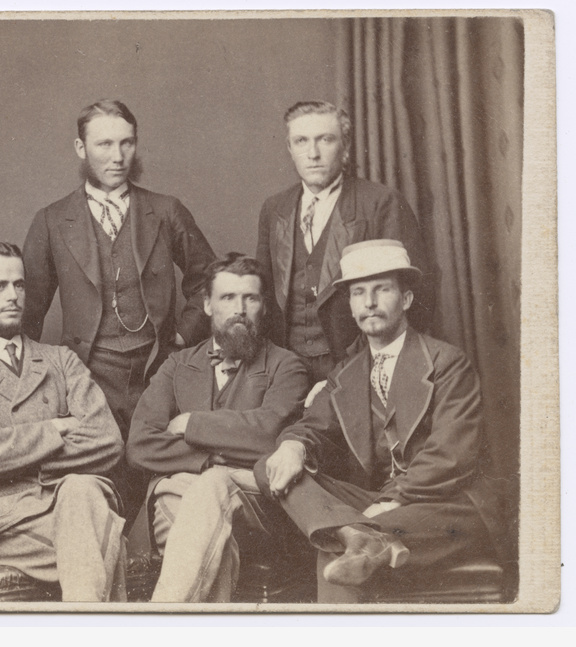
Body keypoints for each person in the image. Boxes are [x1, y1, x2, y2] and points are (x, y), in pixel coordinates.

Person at [255, 240, 502, 601]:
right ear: (351, 304)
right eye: (358, 293)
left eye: (381, 290)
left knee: (334, 542)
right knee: (270, 465)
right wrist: (294, 445)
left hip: (444, 505)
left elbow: (451, 454)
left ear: (405, 299)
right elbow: (312, 427)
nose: (369, 303)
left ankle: (352, 534)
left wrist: (391, 501)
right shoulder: (346, 374)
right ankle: (356, 534)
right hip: (373, 504)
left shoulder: (448, 362)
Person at [0, 242, 127, 602]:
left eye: (20, 284)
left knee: (81, 493)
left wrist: (10, 443)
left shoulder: (61, 360)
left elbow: (107, 439)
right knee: (103, 534)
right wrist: (57, 428)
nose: (13, 296)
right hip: (10, 524)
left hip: (72, 507)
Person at [22, 99, 217, 435]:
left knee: (153, 463)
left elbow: (212, 282)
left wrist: (184, 335)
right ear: (81, 148)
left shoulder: (166, 210)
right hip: (85, 375)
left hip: (159, 369)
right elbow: (29, 311)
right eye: (105, 144)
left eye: (127, 143)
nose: (118, 156)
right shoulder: (52, 220)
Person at [126, 253, 310, 602]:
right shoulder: (176, 365)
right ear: (208, 305)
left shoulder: (287, 366)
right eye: (228, 297)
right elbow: (140, 445)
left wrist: (191, 424)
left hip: (256, 509)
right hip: (197, 500)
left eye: (250, 298)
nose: (240, 308)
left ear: (264, 307)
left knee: (182, 491)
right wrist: (216, 459)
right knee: (199, 509)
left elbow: (269, 434)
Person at [255, 101, 432, 387]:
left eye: (325, 139)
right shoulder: (275, 208)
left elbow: (414, 301)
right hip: (285, 369)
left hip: (357, 368)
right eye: (301, 141)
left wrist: (351, 374)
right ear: (289, 148)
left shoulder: (380, 203)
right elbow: (261, 294)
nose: (312, 154)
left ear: (345, 146)